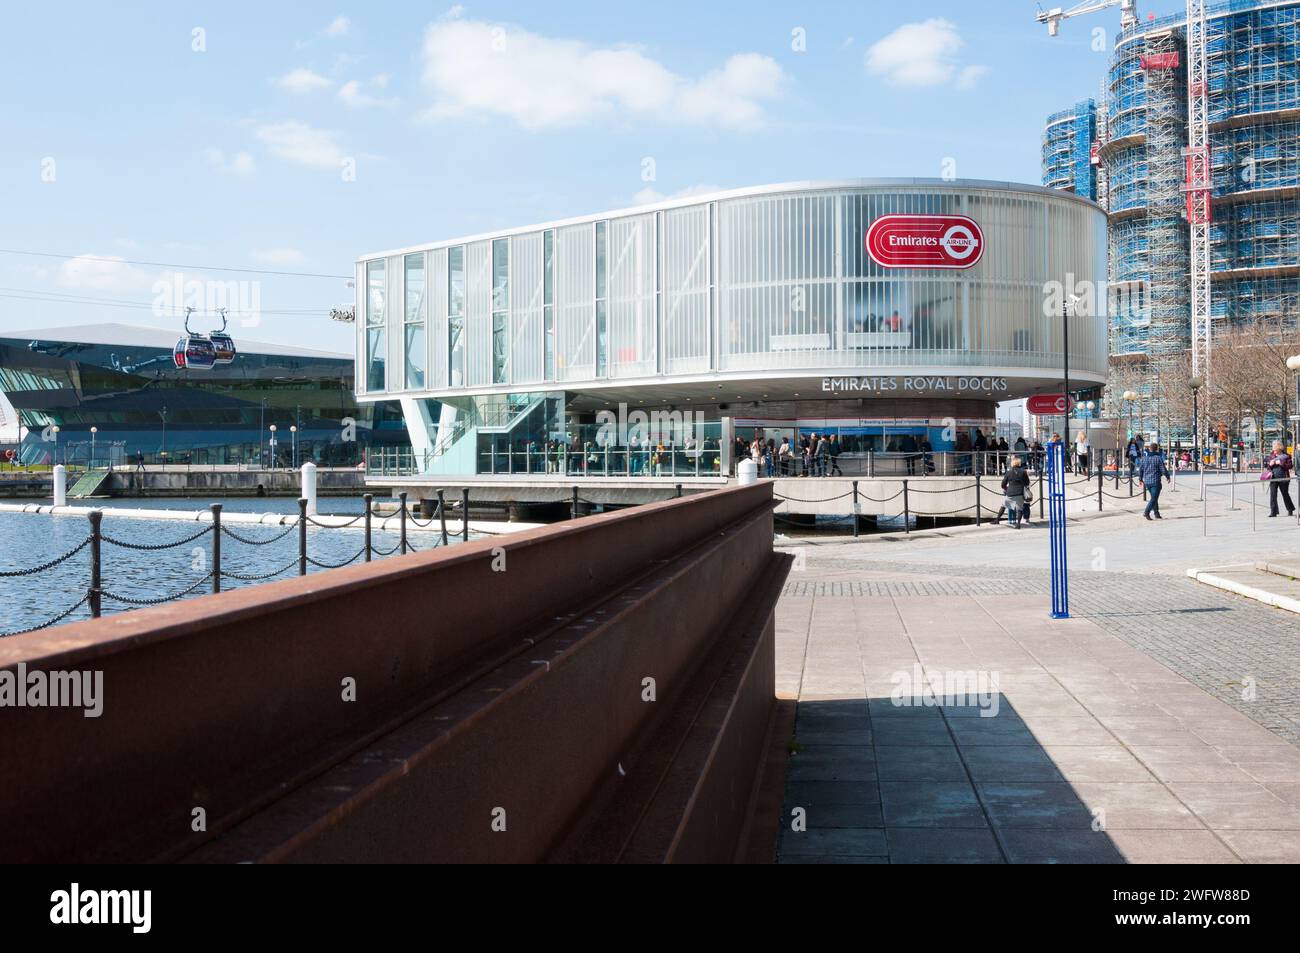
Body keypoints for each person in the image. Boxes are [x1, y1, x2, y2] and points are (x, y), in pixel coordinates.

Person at [1138, 441, 1170, 520]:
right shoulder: (1158, 458)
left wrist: (1140, 479)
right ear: (1157, 449)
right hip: (1155, 481)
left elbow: (1141, 469)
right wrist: (1167, 476)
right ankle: (1146, 512)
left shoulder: (1144, 458)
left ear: (1149, 449)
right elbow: (1163, 469)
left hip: (1147, 481)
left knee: (1153, 497)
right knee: (1154, 498)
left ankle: (1156, 513)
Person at [1264, 440, 1295, 518]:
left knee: (1285, 494)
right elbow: (1268, 467)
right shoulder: (1271, 456)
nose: (1274, 451)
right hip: (1273, 477)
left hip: (1283, 477)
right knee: (1273, 495)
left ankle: (1290, 509)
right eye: (1273, 449)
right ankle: (1273, 512)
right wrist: (1270, 465)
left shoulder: (1286, 455)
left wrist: (1280, 463)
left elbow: (1290, 466)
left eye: (1275, 449)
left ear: (1279, 448)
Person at [999, 456, 1031, 528]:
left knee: (1003, 506)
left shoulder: (1009, 472)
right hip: (1020, 493)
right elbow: (1027, 483)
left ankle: (997, 520)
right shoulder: (1023, 472)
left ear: (1012, 464)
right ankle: (1018, 524)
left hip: (1010, 493)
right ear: (1019, 463)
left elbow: (1003, 484)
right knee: (1020, 509)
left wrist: (1006, 489)